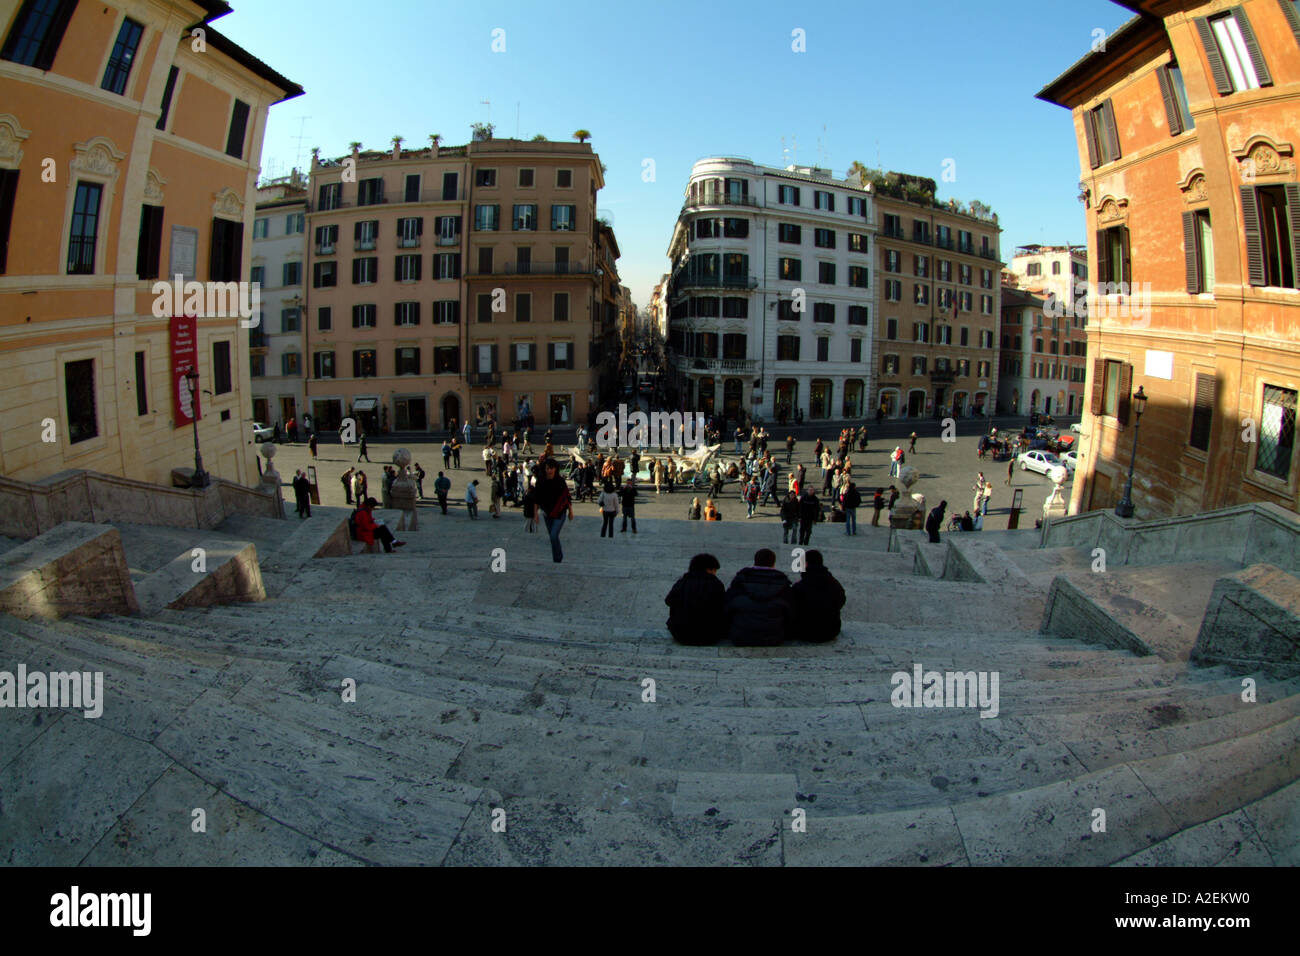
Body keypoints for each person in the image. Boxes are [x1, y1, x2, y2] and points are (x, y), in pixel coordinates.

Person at [724, 549, 793, 646]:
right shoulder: (782, 582)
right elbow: (790, 613)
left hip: (741, 636)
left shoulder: (741, 579)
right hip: (774, 637)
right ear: (773, 564)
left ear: (755, 561)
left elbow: (728, 607)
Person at [665, 553, 726, 646]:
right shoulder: (716, 584)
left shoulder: (682, 582)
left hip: (681, 635)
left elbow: (669, 600)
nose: (715, 574)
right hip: (710, 636)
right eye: (714, 570)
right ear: (708, 569)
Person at [790, 550, 846, 643]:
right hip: (830, 630)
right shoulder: (833, 583)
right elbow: (842, 600)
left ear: (806, 564)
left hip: (804, 631)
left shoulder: (800, 586)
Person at [533, 458, 574, 563]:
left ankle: (558, 558)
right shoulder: (541, 481)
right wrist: (535, 514)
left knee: (553, 535)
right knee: (552, 537)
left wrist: (571, 511)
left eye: (551, 468)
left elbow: (567, 497)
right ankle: (556, 557)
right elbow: (537, 498)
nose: (549, 471)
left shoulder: (560, 481)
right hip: (546, 512)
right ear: (545, 469)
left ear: (555, 469)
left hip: (560, 513)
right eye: (547, 468)